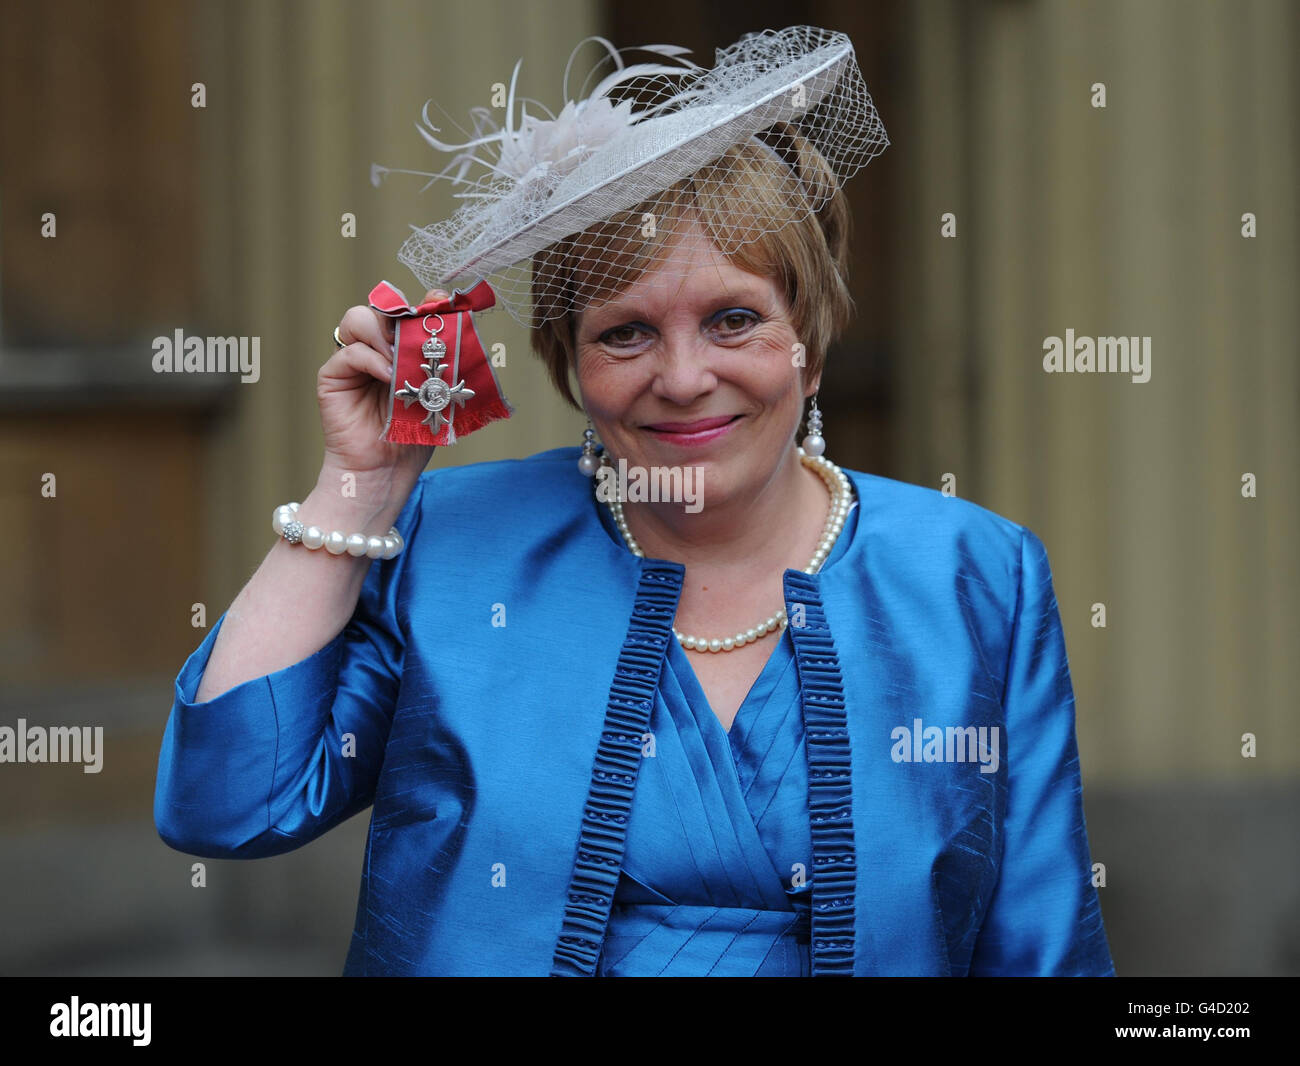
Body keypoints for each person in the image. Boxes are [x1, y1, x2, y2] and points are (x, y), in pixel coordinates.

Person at [154, 25, 1114, 976]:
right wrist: (358, 487)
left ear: (809, 344)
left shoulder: (976, 575)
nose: (684, 376)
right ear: (570, 365)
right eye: (626, 335)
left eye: (734, 320)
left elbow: (1044, 946)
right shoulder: (458, 549)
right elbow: (227, 805)